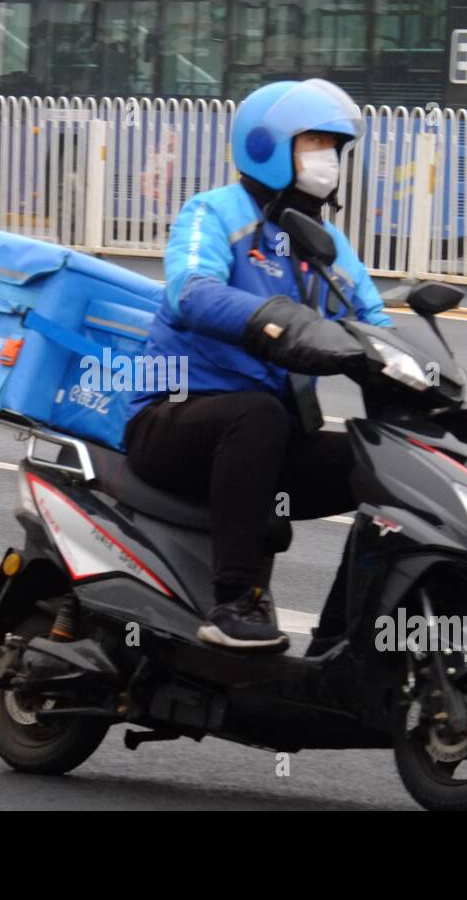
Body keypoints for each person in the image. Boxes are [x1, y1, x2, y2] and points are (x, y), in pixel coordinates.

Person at [124, 79, 393, 652]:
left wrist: (425, 373)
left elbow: (374, 321)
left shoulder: (326, 246)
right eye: (313, 142)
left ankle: (347, 635)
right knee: (257, 416)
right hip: (175, 422)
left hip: (263, 445)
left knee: (386, 462)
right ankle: (234, 603)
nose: (326, 159)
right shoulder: (214, 213)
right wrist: (275, 320)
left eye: (333, 146)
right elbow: (190, 292)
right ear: (268, 146)